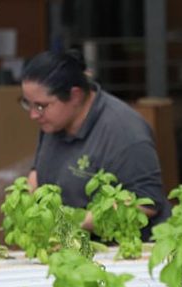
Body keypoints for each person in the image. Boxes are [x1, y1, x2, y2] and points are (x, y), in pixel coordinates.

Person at [20, 50, 170, 240]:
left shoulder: (126, 132)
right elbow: (39, 172)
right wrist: (24, 204)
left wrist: (74, 222)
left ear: (75, 95)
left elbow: (147, 203)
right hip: (73, 246)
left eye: (40, 106)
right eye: (28, 104)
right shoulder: (53, 122)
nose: (33, 115)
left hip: (123, 252)